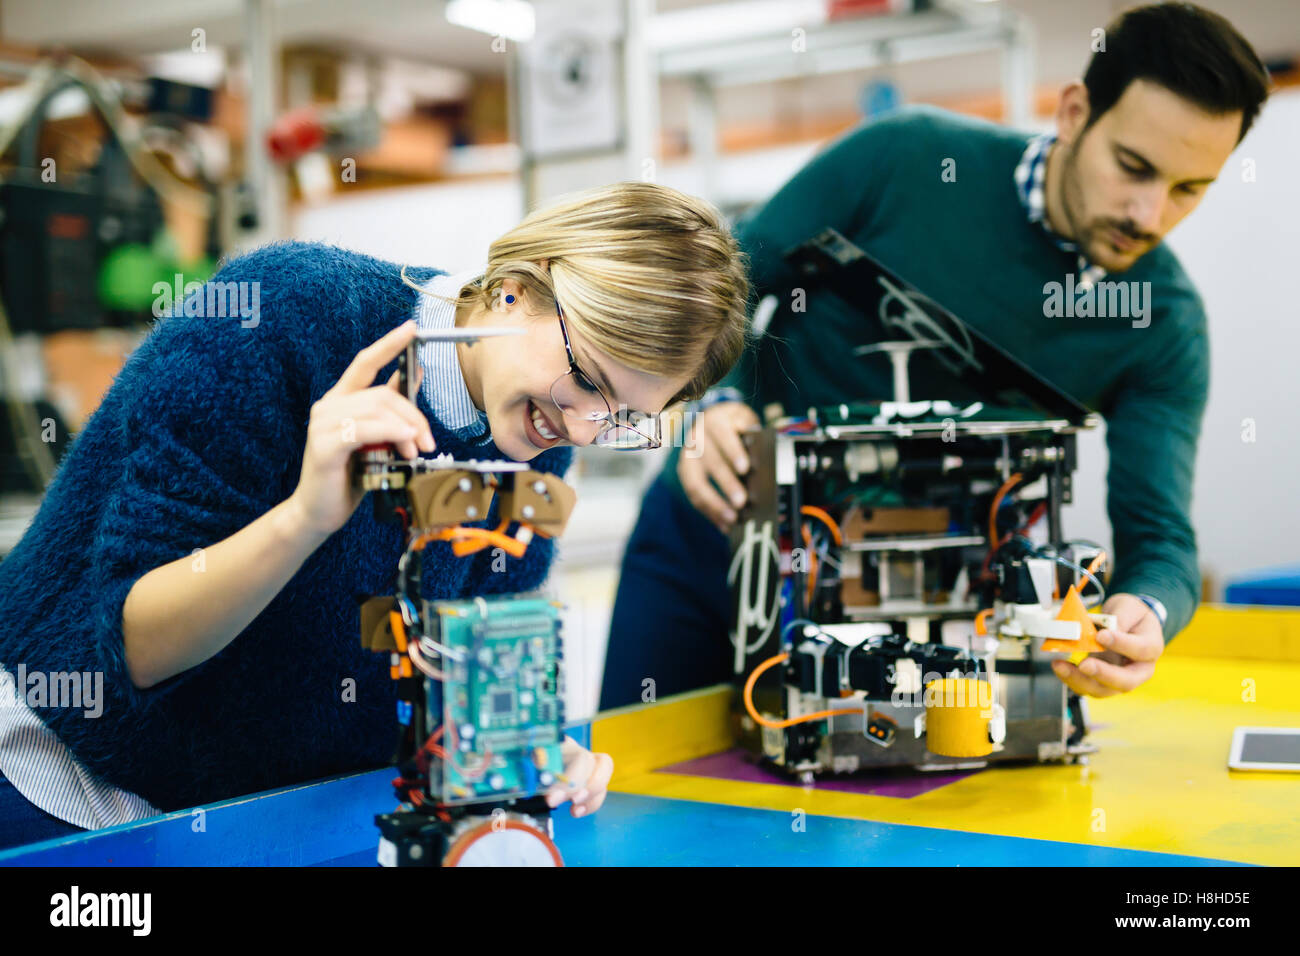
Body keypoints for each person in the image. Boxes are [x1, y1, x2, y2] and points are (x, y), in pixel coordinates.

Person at [0, 181, 749, 851]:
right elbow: (133, 646)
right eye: (586, 380)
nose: (586, 429)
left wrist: (527, 746)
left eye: (623, 418)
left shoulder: (533, 432)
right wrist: (305, 519)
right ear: (516, 289)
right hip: (74, 782)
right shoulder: (283, 317)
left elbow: (453, 661)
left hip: (275, 818)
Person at [601, 3, 1269, 709]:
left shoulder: (1161, 325)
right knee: (629, 789)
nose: (1149, 214)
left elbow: (1160, 539)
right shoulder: (904, 158)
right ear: (1075, 112)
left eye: (1188, 190)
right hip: (711, 536)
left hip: (909, 618)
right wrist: (718, 402)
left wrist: (1147, 613)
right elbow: (731, 281)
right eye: (1133, 166)